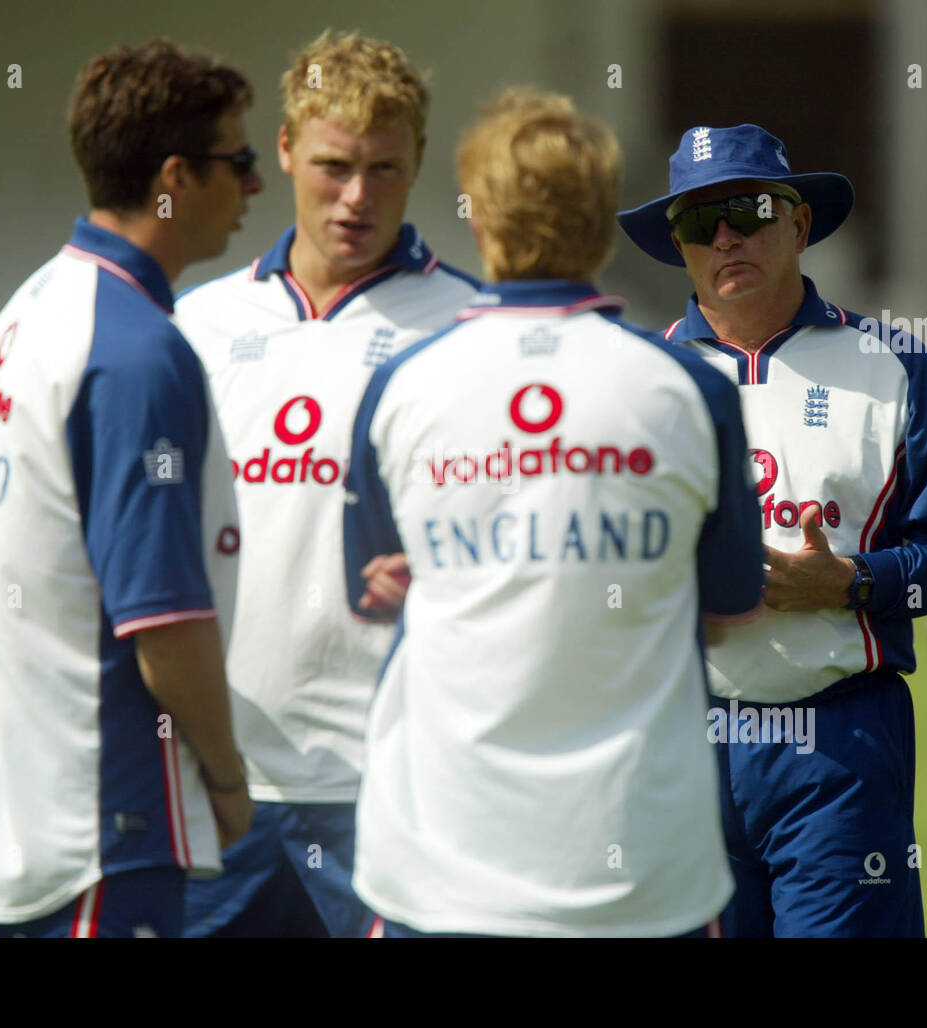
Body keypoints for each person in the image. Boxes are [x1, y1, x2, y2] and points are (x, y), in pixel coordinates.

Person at [342, 90, 765, 937]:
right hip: (643, 877)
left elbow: (374, 589)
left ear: (482, 222)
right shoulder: (692, 388)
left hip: (440, 877)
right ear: (602, 224)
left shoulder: (400, 387)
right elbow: (728, 609)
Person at [617, 123, 927, 937]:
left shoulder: (891, 363)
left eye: (749, 209)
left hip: (840, 742)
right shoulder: (640, 380)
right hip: (682, 741)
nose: (725, 236)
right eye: (697, 222)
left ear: (797, 223)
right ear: (677, 247)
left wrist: (854, 582)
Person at [0, 39, 262, 939]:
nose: (256, 186)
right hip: (103, 821)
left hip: (25, 804)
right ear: (173, 179)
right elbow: (160, 619)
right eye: (239, 161)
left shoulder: (37, 302)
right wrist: (228, 785)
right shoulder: (136, 348)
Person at [174, 30, 478, 939]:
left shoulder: (468, 329)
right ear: (283, 153)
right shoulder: (196, 324)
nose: (356, 196)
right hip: (214, 782)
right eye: (333, 165)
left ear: (418, 163)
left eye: (384, 169)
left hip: (395, 788)